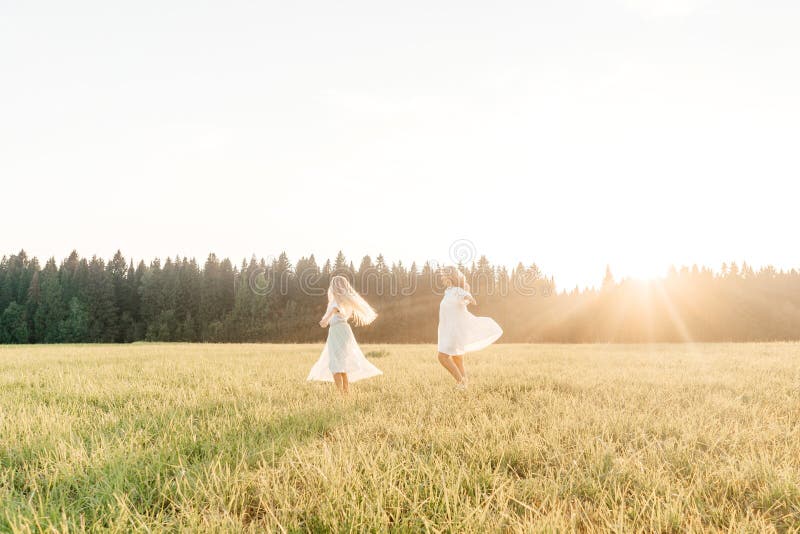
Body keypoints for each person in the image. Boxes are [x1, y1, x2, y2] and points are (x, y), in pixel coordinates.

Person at [306, 275, 382, 393]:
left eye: (334, 285)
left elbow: (335, 310)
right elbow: (331, 312)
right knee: (341, 363)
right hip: (341, 331)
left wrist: (325, 320)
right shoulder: (340, 301)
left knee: (335, 363)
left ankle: (341, 393)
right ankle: (345, 392)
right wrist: (325, 320)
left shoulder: (338, 302)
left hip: (338, 331)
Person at [436, 266, 503, 390]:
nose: (442, 277)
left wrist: (468, 297)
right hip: (448, 330)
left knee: (442, 357)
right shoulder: (448, 291)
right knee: (457, 358)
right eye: (442, 274)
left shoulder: (457, 291)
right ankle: (464, 386)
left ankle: (461, 382)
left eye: (444, 274)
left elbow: (470, 299)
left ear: (451, 276)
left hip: (454, 331)